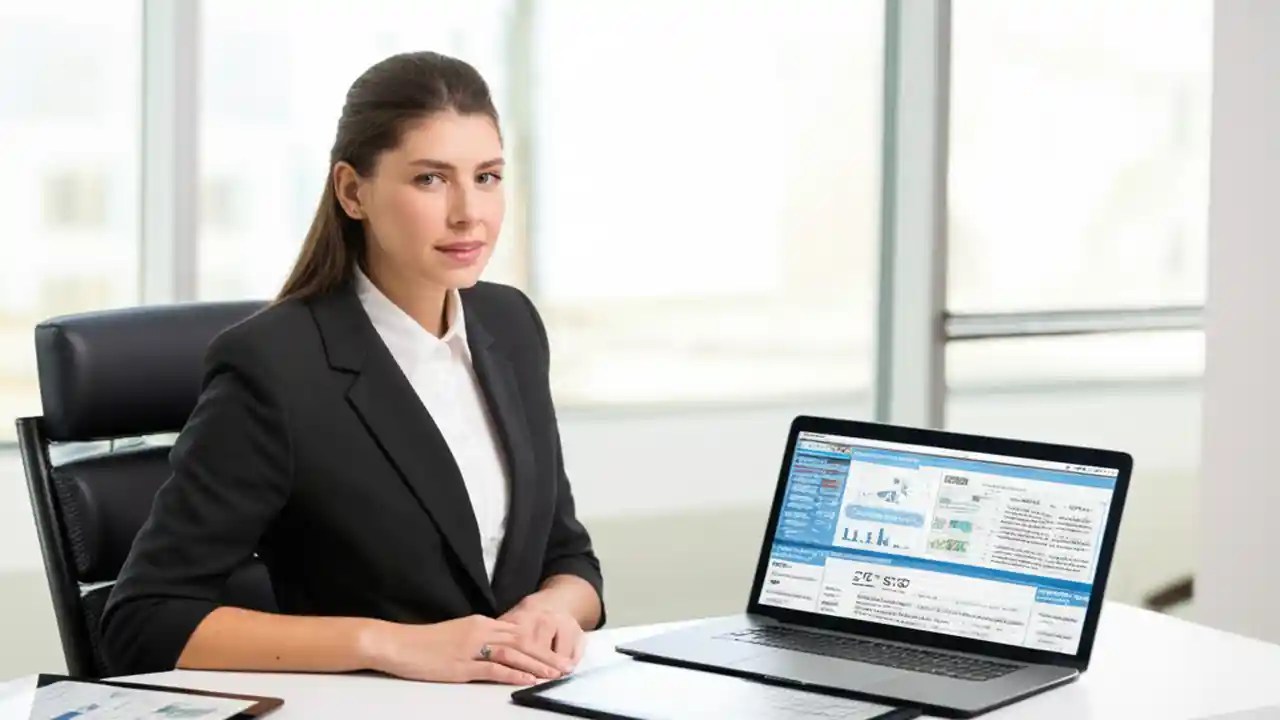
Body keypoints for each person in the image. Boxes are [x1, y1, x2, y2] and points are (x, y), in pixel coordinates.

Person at [101, 51, 604, 687]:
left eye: (487, 176)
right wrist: (390, 645)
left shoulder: (511, 326)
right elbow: (144, 622)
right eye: (429, 179)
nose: (468, 212)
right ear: (352, 191)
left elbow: (569, 556)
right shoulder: (274, 367)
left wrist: (550, 609)